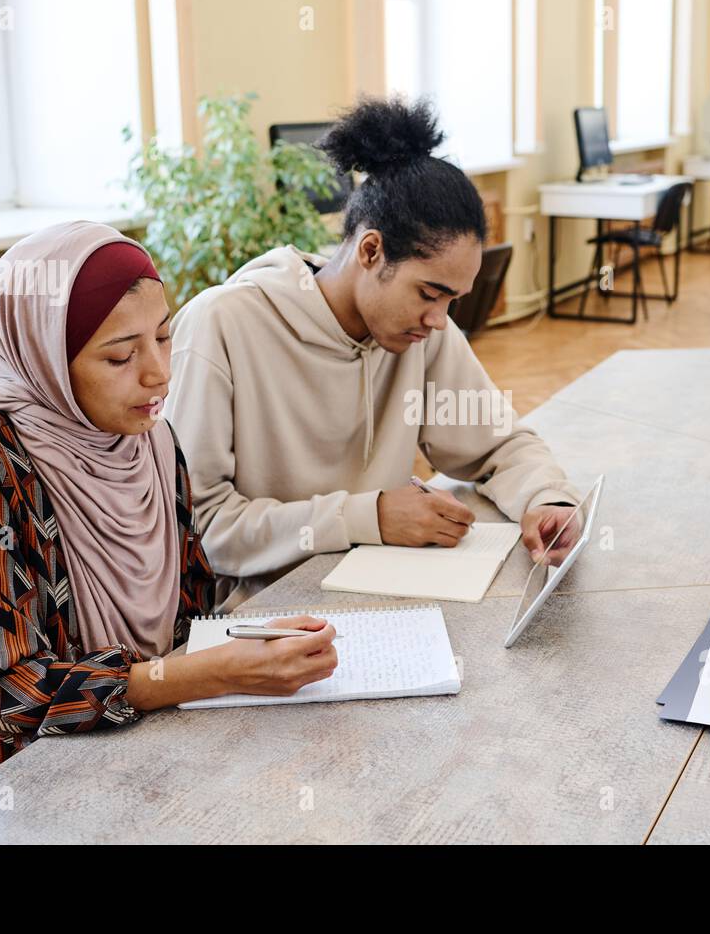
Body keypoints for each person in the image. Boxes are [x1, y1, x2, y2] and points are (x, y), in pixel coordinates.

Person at [0, 222, 337, 844]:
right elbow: (12, 692)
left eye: (163, 336)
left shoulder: (150, 439)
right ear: (45, 359)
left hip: (149, 749)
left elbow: (191, 610)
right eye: (120, 355)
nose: (159, 374)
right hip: (6, 786)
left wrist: (253, 643)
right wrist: (217, 673)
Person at [165, 98, 580, 608]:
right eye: (429, 293)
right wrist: (370, 515)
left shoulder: (423, 332)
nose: (438, 318)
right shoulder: (221, 325)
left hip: (382, 584)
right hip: (266, 610)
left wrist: (547, 500)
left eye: (452, 299)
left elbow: (500, 446)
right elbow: (202, 529)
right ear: (370, 251)